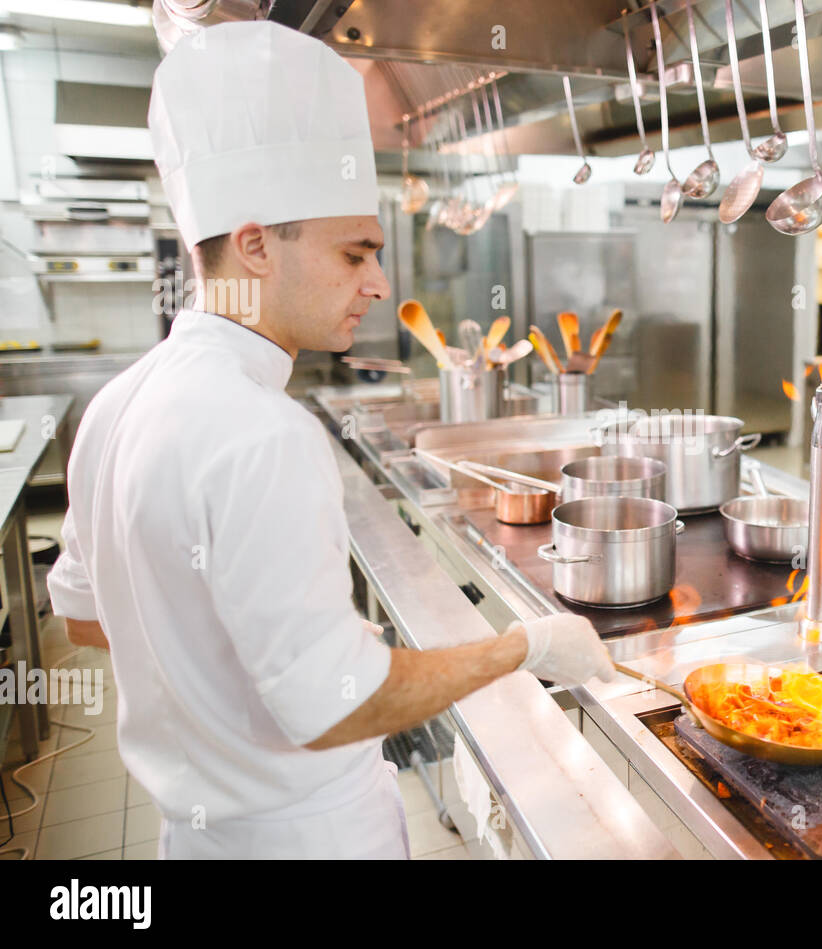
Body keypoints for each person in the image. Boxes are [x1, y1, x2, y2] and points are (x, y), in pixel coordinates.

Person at [46, 20, 613, 860]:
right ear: (254, 247)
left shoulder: (119, 403)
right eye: (355, 255)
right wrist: (522, 646)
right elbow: (337, 704)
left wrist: (220, 676)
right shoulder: (263, 432)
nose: (379, 284)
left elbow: (87, 620)